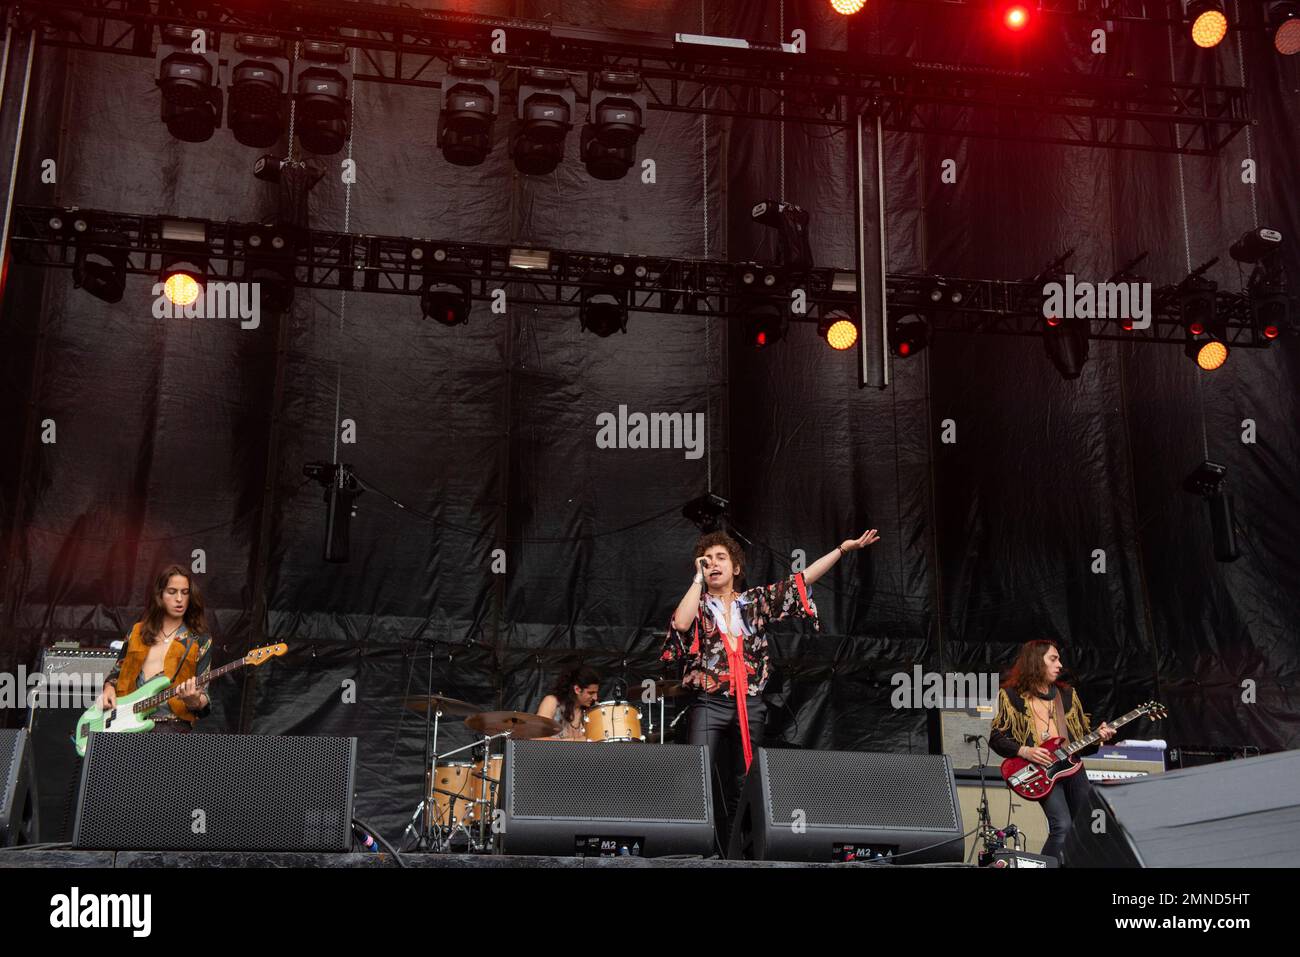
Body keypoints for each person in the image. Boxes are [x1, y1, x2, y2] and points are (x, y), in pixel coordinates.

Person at [662, 528, 880, 823]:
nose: (712, 563)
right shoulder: (698, 604)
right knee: (696, 773)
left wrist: (841, 549)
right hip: (710, 703)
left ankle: (739, 845)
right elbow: (681, 623)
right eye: (707, 559)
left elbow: (801, 581)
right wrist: (697, 579)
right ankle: (694, 841)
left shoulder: (753, 602)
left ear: (735, 568)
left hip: (750, 703)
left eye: (720, 557)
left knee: (744, 782)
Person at [989, 639, 1115, 864]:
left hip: (1072, 768)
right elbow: (996, 738)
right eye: (1053, 659)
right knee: (1062, 826)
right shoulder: (1011, 695)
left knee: (1089, 824)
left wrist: (1098, 736)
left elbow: (1081, 743)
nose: (1060, 665)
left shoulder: (1066, 695)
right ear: (1036, 662)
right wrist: (1025, 751)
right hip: (1042, 771)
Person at [98, 564, 213, 733]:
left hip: (170, 726)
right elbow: (116, 673)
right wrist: (108, 689)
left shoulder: (199, 640)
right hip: (125, 723)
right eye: (172, 592)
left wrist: (194, 701)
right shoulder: (137, 632)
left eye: (185, 592)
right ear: (160, 595)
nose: (179, 599)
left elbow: (204, 700)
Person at [537, 666, 601, 741]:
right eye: (591, 693)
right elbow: (538, 738)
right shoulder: (552, 702)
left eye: (596, 693)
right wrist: (575, 741)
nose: (595, 698)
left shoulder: (594, 708)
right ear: (577, 689)